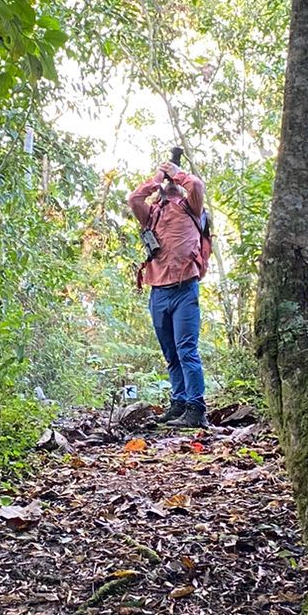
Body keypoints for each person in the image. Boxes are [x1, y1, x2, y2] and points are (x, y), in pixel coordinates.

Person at [128, 153, 209, 429]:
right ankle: (178, 403)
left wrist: (177, 173)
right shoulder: (151, 213)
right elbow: (133, 199)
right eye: (168, 181)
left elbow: (196, 185)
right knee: (171, 353)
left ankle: (196, 408)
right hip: (158, 293)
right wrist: (156, 180)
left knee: (187, 349)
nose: (171, 184)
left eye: (173, 180)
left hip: (186, 289)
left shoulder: (191, 207)